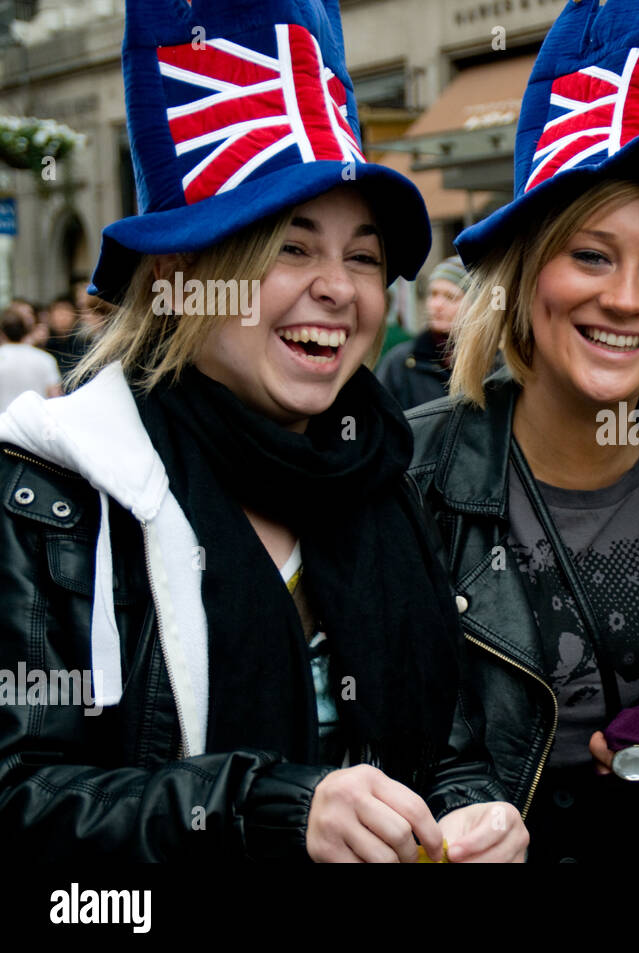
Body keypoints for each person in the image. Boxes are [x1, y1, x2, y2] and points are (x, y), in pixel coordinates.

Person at [0, 0, 525, 862]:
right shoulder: (50, 495)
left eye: (362, 256)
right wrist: (266, 808)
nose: (339, 289)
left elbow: (443, 747)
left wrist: (472, 814)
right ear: (179, 273)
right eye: (290, 246)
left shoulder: (383, 472)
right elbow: (20, 798)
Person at [407, 0, 639, 862]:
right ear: (528, 272)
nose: (627, 298)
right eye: (591, 255)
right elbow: (372, 723)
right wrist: (462, 813)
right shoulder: (414, 469)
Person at [375, 256, 468, 409]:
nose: (437, 305)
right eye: (433, 294)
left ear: (474, 304)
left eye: (450, 297)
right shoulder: (400, 363)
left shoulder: (492, 364)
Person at [0, 305, 62, 408]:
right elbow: (55, 395)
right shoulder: (44, 358)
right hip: (37, 420)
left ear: (2, 332)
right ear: (27, 330)